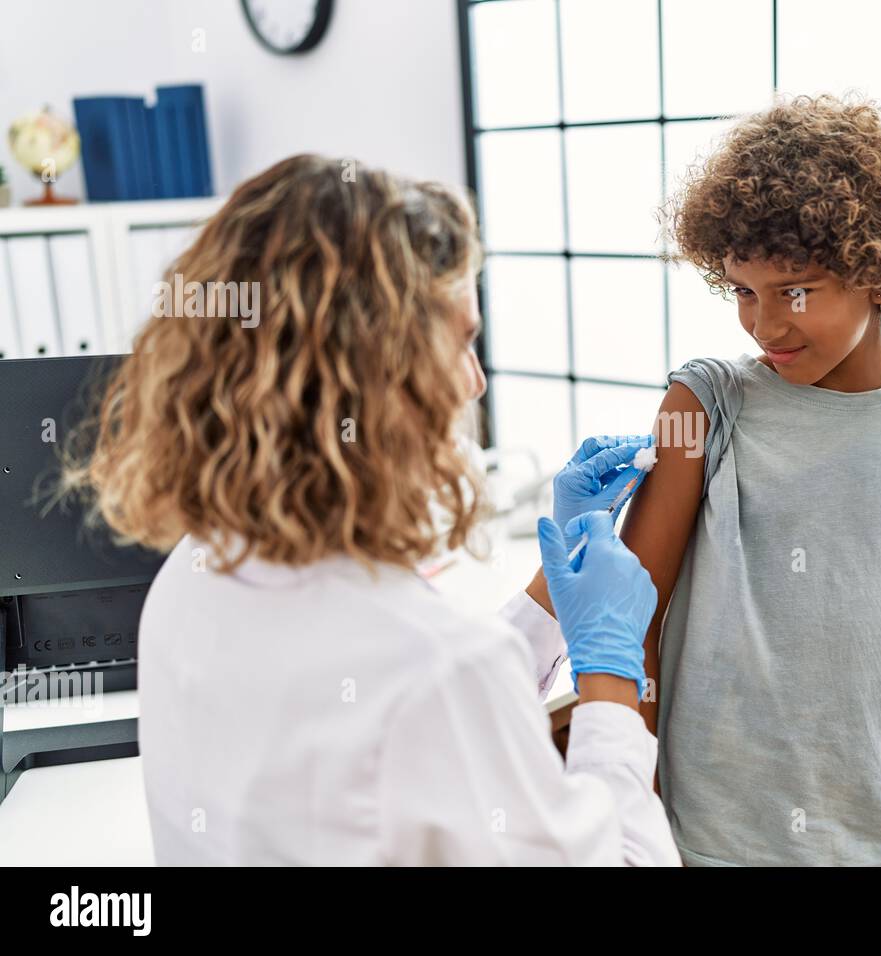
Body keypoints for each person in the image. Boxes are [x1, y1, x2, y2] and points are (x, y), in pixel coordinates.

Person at [64, 154, 680, 866]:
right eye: (464, 341)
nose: (476, 382)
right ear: (385, 377)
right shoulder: (431, 672)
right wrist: (609, 676)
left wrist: (553, 596)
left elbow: (411, 727)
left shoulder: (191, 577)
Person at [618, 93, 881, 866]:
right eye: (742, 290)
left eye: (794, 291)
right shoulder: (704, 404)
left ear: (877, 272)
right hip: (707, 839)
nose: (765, 327)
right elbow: (629, 619)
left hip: (875, 833)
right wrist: (633, 801)